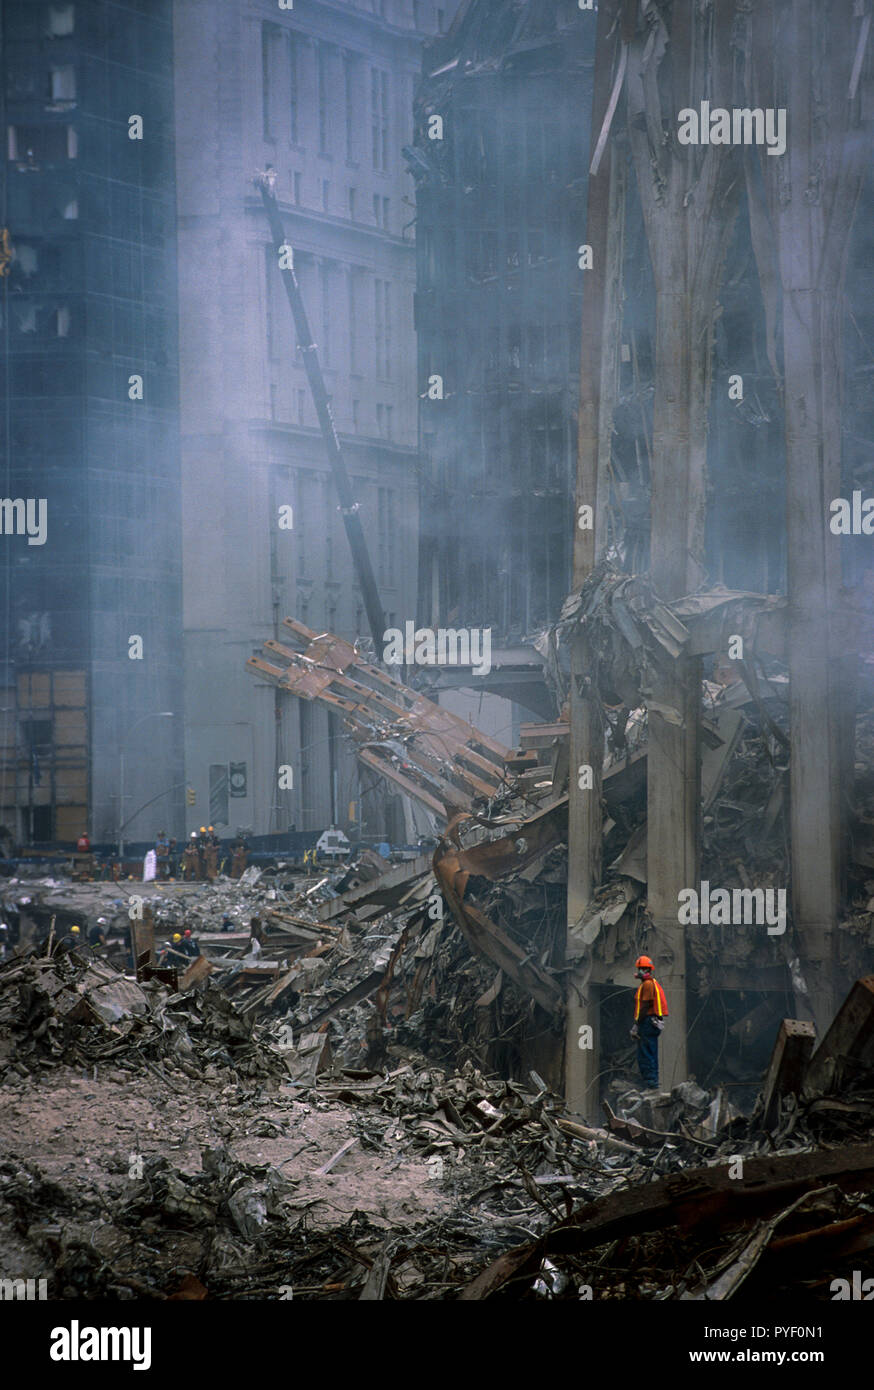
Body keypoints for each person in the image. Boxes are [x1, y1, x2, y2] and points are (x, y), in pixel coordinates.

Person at [630, 955, 668, 1090]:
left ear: (646, 970)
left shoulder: (647, 985)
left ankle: (651, 1084)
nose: (639, 971)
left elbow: (645, 1006)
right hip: (652, 1022)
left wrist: (636, 1025)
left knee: (645, 1054)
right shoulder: (653, 983)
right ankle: (653, 1083)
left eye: (641, 969)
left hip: (647, 1022)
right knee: (651, 1052)